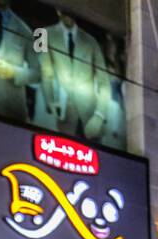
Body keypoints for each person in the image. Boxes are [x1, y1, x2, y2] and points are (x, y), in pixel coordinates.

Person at [39, 9, 110, 141]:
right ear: (58, 10)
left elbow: (104, 83)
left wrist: (99, 115)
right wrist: (49, 101)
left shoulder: (91, 42)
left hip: (91, 117)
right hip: (65, 116)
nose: (69, 15)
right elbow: (44, 71)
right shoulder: (42, 34)